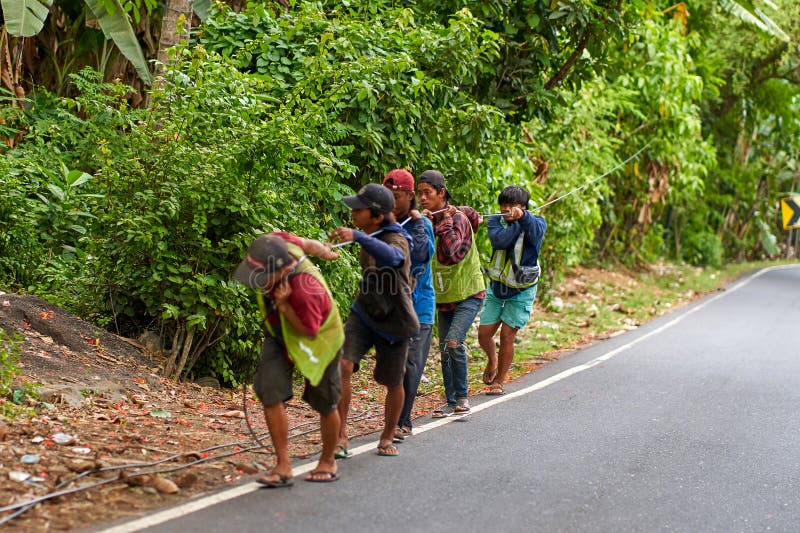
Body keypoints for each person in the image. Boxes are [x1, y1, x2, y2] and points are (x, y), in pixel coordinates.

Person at [234, 232, 344, 487]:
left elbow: (309, 331)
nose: (258, 283)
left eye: (264, 278)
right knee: (269, 390)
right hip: (279, 333)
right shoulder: (278, 244)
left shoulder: (306, 290)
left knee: (325, 400)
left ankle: (328, 460)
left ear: (282, 270)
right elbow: (305, 243)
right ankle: (283, 465)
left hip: (318, 339)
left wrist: (284, 306)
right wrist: (323, 250)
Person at [330, 183, 419, 457]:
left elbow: (394, 258)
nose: (353, 213)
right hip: (364, 311)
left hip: (395, 319)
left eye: (359, 209)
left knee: (394, 380)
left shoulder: (396, 239)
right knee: (343, 364)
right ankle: (340, 435)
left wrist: (358, 236)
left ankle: (387, 435)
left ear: (377, 216)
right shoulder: (369, 232)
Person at [417, 170, 485, 417]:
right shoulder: (426, 221)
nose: (423, 198)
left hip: (468, 292)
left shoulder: (457, 221)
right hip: (443, 296)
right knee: (444, 348)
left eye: (428, 193)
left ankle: (463, 397)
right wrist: (423, 224)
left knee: (454, 342)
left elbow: (451, 254)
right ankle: (450, 400)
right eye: (419, 193)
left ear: (441, 193)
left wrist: (443, 223)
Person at [478, 186, 547, 395]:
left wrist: (524, 217)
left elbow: (535, 232)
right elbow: (501, 241)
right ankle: (493, 360)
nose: (507, 209)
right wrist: (517, 222)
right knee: (483, 335)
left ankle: (500, 380)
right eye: (504, 205)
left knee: (507, 336)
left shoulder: (537, 222)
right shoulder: (494, 221)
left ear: (524, 207)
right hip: (497, 288)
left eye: (513, 205)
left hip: (522, 290)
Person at [382, 169, 435, 438]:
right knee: (394, 365)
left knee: (411, 365)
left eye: (396, 196)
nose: (391, 201)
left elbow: (421, 257)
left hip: (419, 305)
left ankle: (403, 421)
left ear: (408, 196)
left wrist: (415, 225)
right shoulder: (382, 225)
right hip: (392, 307)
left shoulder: (421, 225)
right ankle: (392, 419)